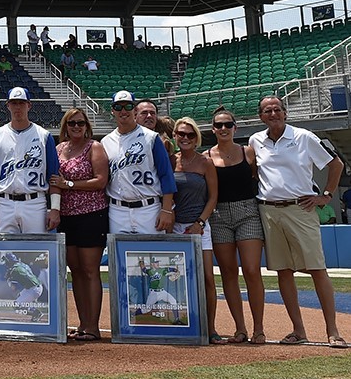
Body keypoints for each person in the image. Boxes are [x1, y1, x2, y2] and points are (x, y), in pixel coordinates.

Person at [251, 96, 346, 347]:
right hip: (269, 211)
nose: (273, 114)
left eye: (277, 109)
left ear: (285, 113)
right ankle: (298, 330)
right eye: (267, 111)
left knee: (317, 268)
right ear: (261, 116)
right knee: (283, 270)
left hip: (300, 208)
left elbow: (336, 164)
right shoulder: (255, 140)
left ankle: (333, 331)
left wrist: (325, 196)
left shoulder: (304, 137)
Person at [205, 106, 266, 344]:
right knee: (229, 273)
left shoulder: (248, 152)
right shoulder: (207, 156)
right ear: (213, 130)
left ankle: (258, 328)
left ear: (235, 128)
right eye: (218, 125)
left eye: (227, 125)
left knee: (251, 270)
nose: (223, 129)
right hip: (219, 216)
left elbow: (257, 179)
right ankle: (240, 329)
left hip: (247, 211)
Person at [49, 108, 108, 342]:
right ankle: (83, 324)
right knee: (75, 272)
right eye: (72, 123)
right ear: (65, 125)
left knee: (90, 271)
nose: (76, 127)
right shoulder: (58, 149)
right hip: (67, 217)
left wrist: (69, 184)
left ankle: (94, 326)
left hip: (91, 215)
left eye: (80, 123)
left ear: (87, 125)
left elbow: (100, 181)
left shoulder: (95, 147)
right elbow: (54, 181)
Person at [0, 86, 61, 233]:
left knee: (37, 250)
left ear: (29, 105)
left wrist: (55, 208)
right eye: (14, 103)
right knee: (6, 251)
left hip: (35, 203)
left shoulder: (44, 136)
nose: (17, 107)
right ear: (8, 105)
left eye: (21, 103)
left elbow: (53, 176)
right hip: (5, 202)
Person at [171, 117, 221, 343]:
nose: (185, 138)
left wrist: (199, 223)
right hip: (175, 229)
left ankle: (210, 328)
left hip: (199, 228)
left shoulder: (205, 163)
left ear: (197, 138)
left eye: (190, 135)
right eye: (181, 134)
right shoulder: (171, 161)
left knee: (207, 278)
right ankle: (182, 325)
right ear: (175, 135)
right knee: (177, 280)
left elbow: (213, 197)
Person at [101, 90, 176, 234]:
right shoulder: (106, 141)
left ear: (135, 110)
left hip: (148, 208)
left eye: (128, 106)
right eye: (118, 107)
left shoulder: (151, 138)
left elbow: (166, 175)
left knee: (153, 254)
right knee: (119, 254)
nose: (123, 111)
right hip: (118, 210)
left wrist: (166, 209)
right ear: (112, 111)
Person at [135, 100, 175, 165]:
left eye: (152, 113)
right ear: (135, 116)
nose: (149, 116)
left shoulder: (163, 142)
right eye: (144, 113)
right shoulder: (126, 140)